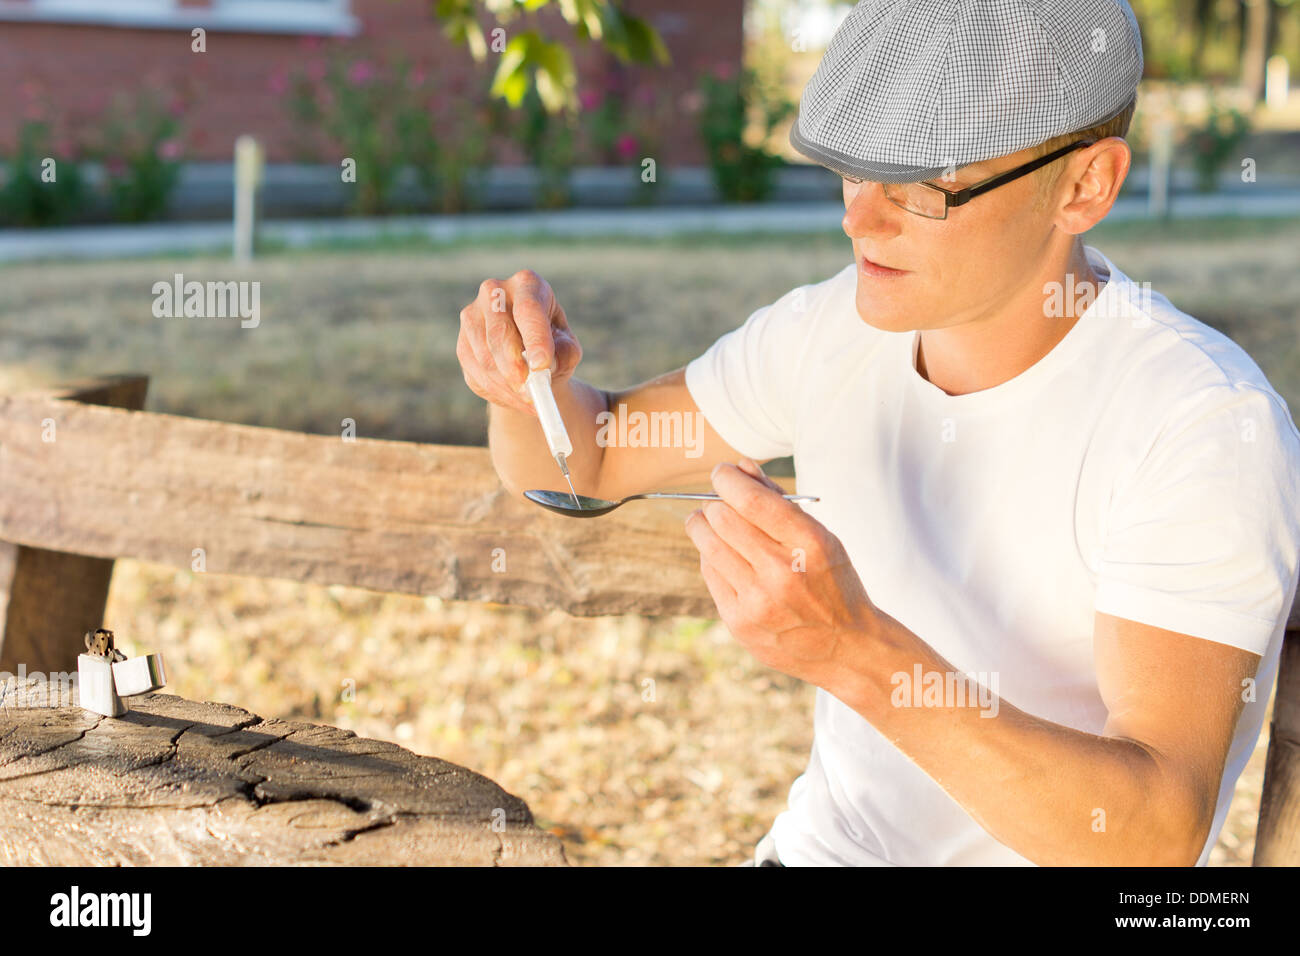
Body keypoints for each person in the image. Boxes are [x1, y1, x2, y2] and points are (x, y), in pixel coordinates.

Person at [455, 0, 1300, 866]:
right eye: (855, 168)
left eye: (925, 183)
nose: (861, 218)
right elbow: (586, 460)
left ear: (1085, 185)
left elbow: (1150, 838)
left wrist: (856, 652)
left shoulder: (1198, 423)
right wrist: (522, 383)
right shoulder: (834, 331)